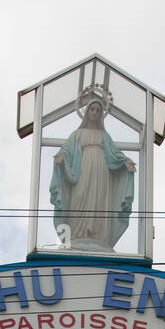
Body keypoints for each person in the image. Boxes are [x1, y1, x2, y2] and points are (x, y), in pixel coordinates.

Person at [50, 98, 135, 251]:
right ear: (87, 111)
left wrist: (125, 162)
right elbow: (67, 150)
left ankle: (97, 234)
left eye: (98, 110)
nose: (95, 113)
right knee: (80, 196)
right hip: (83, 169)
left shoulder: (104, 136)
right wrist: (61, 157)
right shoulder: (77, 134)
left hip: (101, 170)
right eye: (92, 109)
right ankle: (77, 234)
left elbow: (114, 154)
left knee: (99, 199)